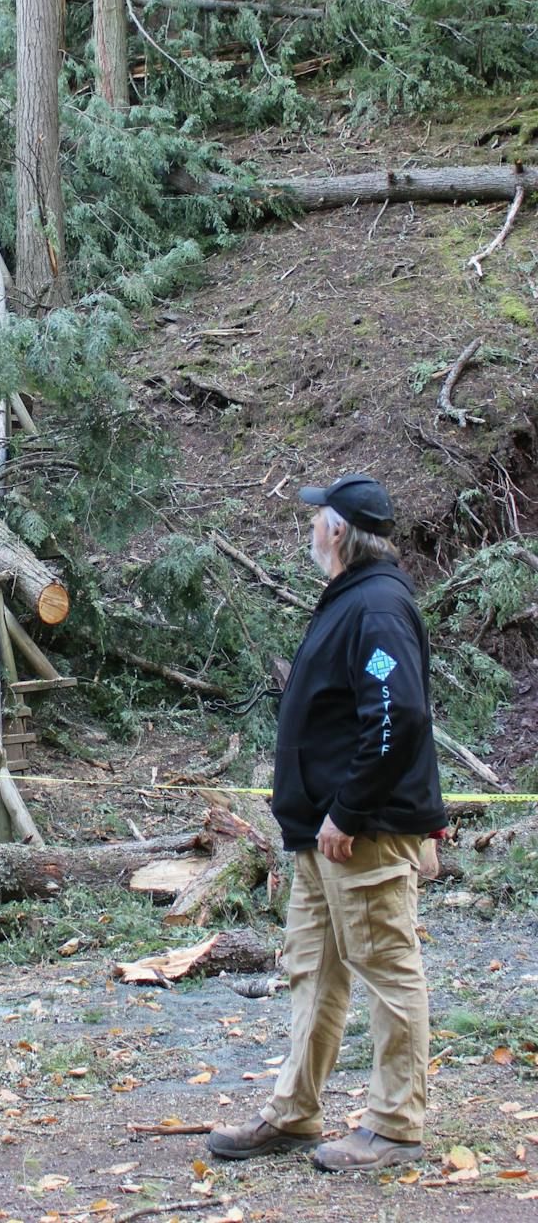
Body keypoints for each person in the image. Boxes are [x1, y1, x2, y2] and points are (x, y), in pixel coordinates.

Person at [207, 474, 446, 1174]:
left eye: (318, 518)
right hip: (321, 835)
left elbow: (396, 713)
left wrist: (348, 809)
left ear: (338, 530)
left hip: (358, 833)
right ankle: (293, 1113)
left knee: (387, 968)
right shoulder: (350, 600)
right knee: (312, 970)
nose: (309, 528)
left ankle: (396, 1126)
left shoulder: (377, 608)